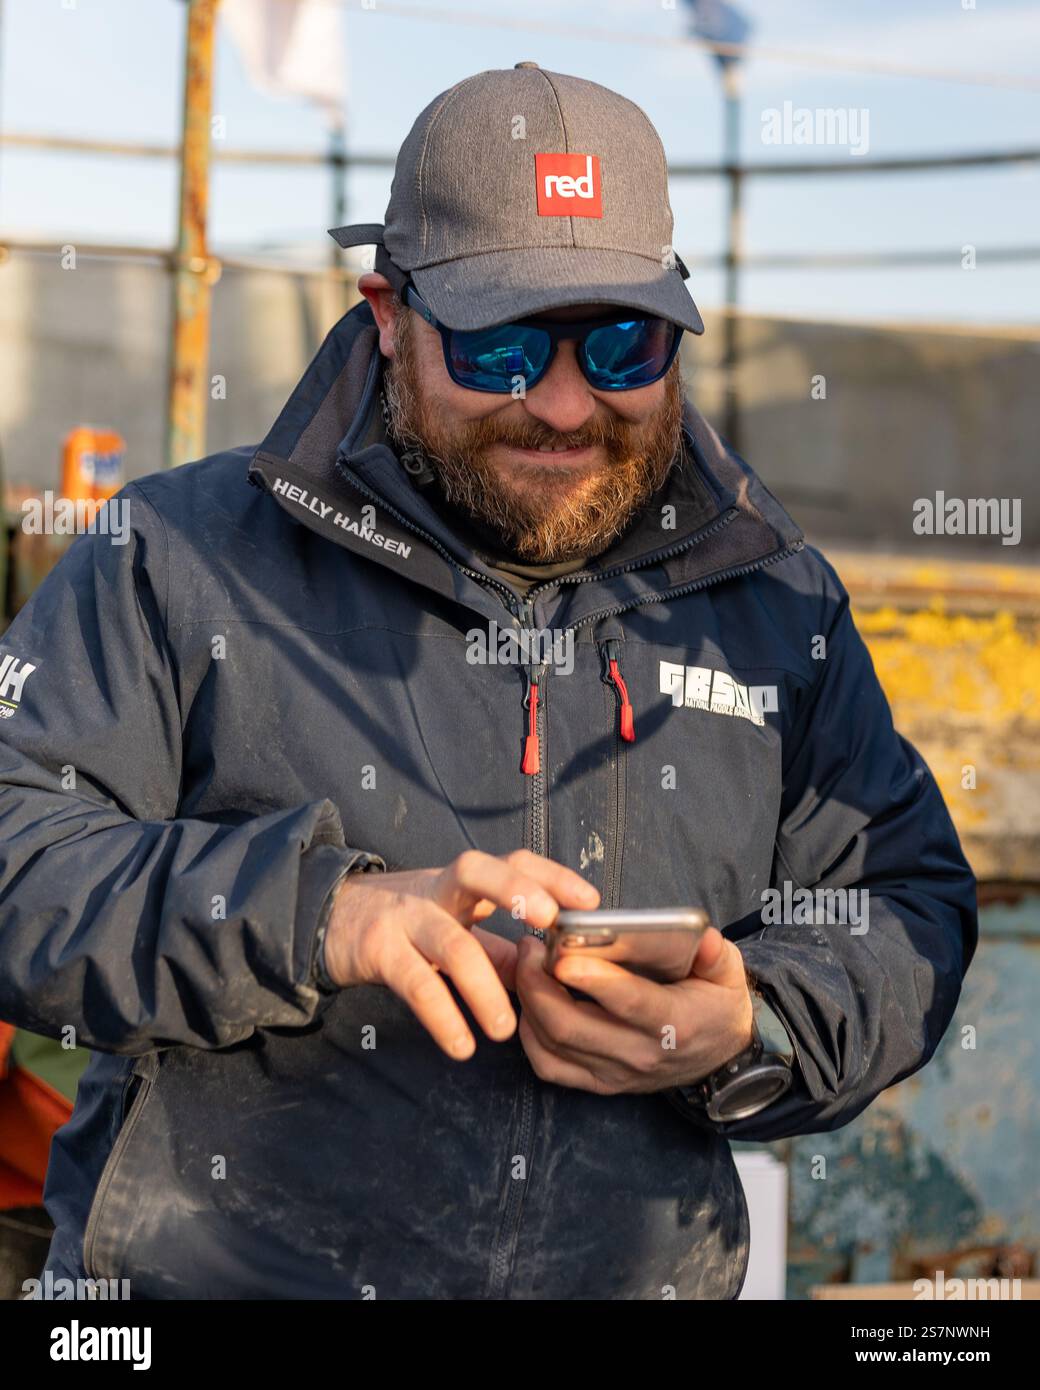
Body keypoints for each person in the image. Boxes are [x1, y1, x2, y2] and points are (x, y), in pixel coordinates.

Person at [0, 64, 975, 1300]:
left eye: (622, 344)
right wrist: (314, 917)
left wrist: (753, 1026)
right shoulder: (177, 555)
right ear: (388, 315)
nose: (565, 405)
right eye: (503, 346)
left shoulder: (775, 606)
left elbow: (904, 902)